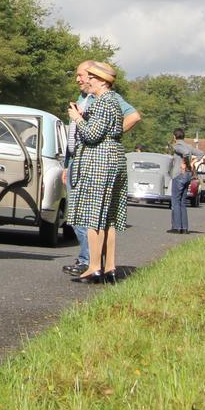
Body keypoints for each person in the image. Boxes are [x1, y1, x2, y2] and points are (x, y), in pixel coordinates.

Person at [63, 60, 141, 276]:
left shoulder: (102, 102)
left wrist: (78, 118)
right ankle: (108, 267)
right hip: (112, 160)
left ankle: (94, 266)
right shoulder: (111, 103)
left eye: (90, 78)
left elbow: (92, 134)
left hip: (99, 162)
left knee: (92, 214)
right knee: (108, 217)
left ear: (100, 81)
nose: (86, 81)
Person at [168, 128, 203, 234]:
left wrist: (185, 162)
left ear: (174, 136)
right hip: (188, 175)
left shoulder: (177, 146)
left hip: (179, 174)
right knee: (183, 202)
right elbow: (201, 153)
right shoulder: (188, 145)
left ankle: (177, 227)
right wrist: (193, 163)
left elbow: (186, 153)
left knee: (176, 202)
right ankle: (184, 227)